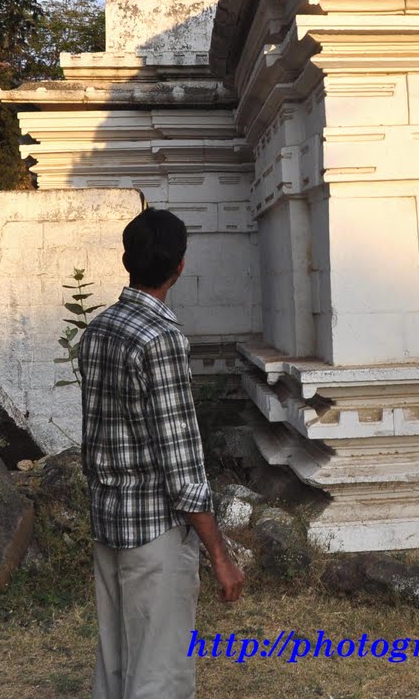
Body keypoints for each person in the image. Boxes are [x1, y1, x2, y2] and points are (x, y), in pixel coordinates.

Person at [78, 207, 245, 699]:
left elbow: (101, 433)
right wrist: (219, 554)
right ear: (180, 265)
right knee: (159, 674)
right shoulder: (161, 338)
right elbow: (181, 461)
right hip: (154, 530)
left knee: (116, 664)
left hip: (110, 522)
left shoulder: (100, 330)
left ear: (127, 260)